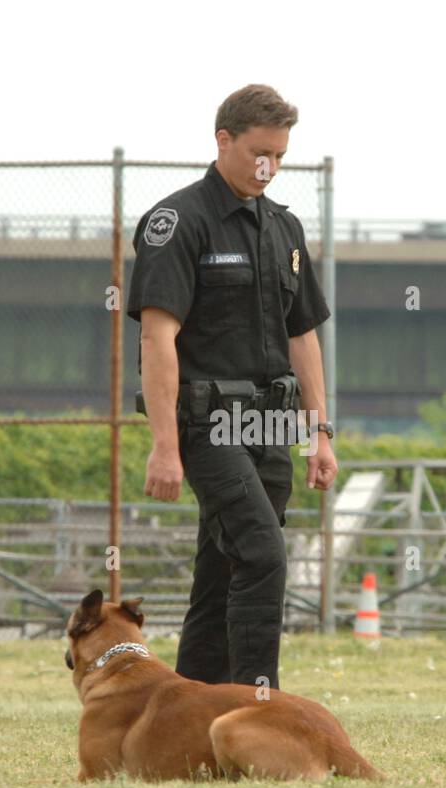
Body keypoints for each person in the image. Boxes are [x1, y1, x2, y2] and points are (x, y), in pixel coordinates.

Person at [126, 84, 337, 691]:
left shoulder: (285, 229)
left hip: (272, 427)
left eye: (280, 156)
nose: (268, 167)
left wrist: (319, 432)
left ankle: (186, 712)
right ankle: (256, 707)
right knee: (264, 556)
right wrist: (165, 444)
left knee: (224, 570)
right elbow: (156, 342)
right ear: (224, 141)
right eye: (258, 153)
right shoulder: (178, 222)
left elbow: (304, 340)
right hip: (208, 425)